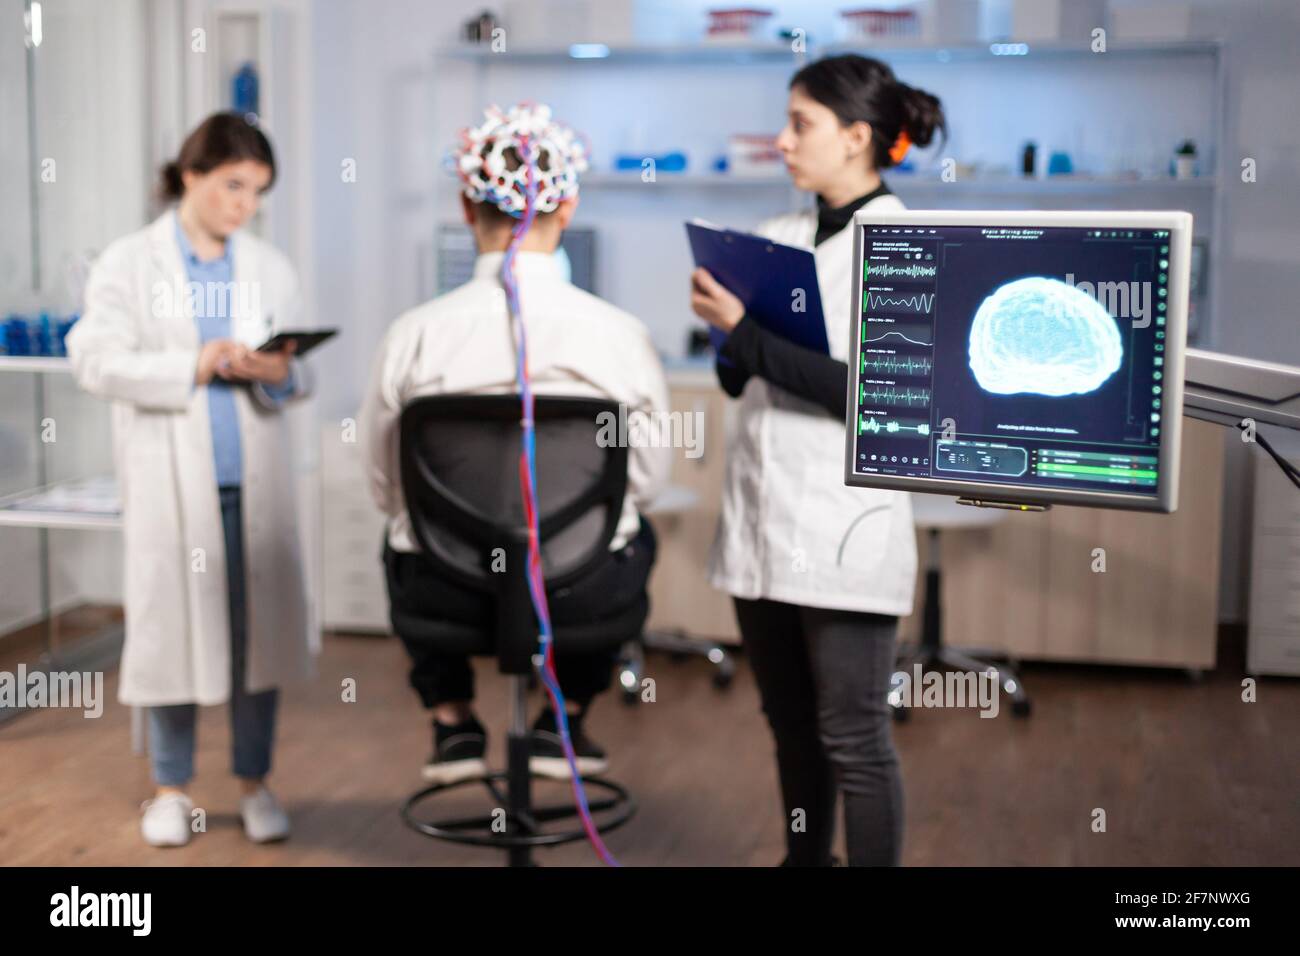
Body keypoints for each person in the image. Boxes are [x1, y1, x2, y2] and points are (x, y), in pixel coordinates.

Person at [359, 103, 670, 783]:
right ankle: (566, 715)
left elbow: (385, 489)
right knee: (635, 533)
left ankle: (450, 718)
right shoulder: (619, 336)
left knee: (397, 537)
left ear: (467, 209)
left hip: (446, 593)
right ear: (569, 208)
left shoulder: (412, 335)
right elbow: (643, 484)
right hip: (580, 594)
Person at [689, 55, 946, 866]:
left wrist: (745, 335)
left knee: (853, 737)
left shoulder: (906, 243)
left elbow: (875, 397)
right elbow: (740, 378)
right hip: (763, 524)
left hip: (843, 528)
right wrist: (724, 329)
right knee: (790, 727)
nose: (782, 139)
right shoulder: (776, 238)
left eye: (801, 124)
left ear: (858, 137)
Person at [66, 112, 315, 848]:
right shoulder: (128, 263)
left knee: (255, 642)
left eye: (257, 191)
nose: (244, 204)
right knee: (172, 635)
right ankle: (170, 789)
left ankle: (255, 782)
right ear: (190, 173)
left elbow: (298, 370)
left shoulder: (269, 267)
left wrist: (278, 370)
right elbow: (93, 359)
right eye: (233, 184)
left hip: (253, 484)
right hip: (171, 487)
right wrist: (193, 363)